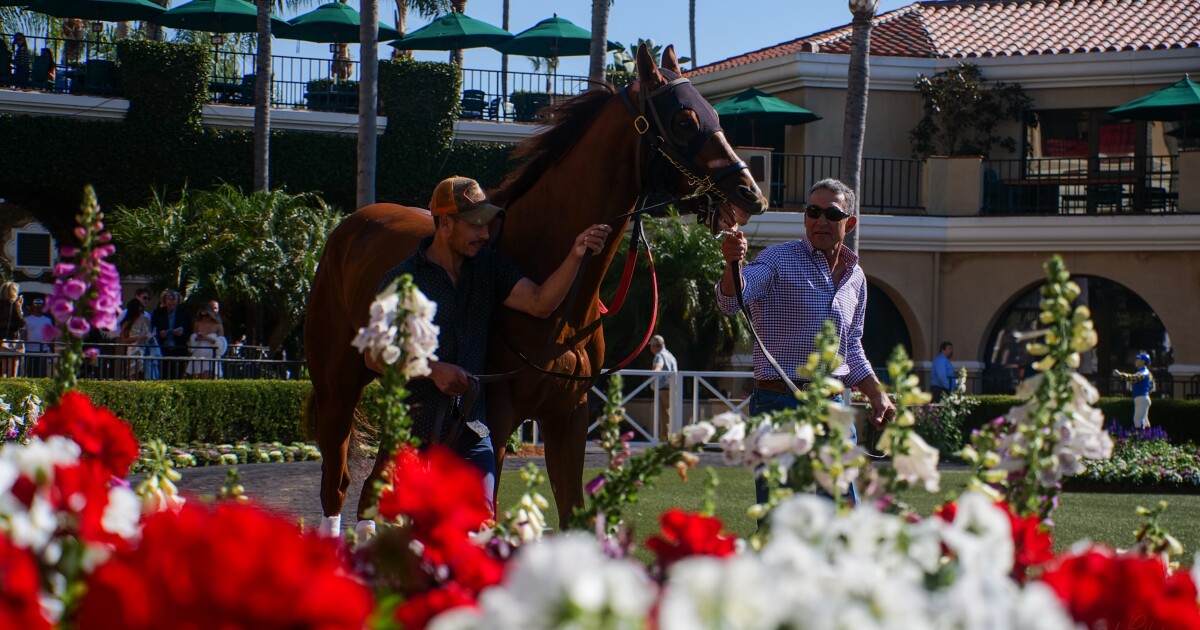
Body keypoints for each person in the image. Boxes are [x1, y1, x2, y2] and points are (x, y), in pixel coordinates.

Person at [369, 176, 611, 510]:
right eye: (475, 225)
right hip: (414, 433)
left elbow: (540, 302)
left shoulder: (488, 267)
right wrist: (432, 369)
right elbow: (374, 354)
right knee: (417, 544)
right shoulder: (400, 279)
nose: (485, 234)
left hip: (473, 432)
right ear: (446, 223)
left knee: (480, 527)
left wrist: (576, 253)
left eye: (487, 224)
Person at [716, 178, 896, 506]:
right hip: (778, 405)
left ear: (849, 222)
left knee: (843, 511)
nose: (820, 221)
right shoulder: (776, 260)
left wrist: (877, 395)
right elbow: (731, 301)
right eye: (813, 211)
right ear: (805, 217)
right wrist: (733, 264)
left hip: (832, 407)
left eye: (832, 213)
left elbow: (851, 347)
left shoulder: (856, 277)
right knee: (781, 516)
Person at [151, 289, 192, 379]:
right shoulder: (158, 313)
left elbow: (189, 331)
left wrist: (181, 333)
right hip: (163, 349)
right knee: (162, 376)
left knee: (177, 376)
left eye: (174, 304)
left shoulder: (184, 313)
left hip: (178, 349)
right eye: (169, 303)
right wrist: (160, 334)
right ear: (165, 301)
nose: (171, 306)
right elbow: (153, 330)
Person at [1113, 352, 1154, 430]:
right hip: (1144, 397)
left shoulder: (1143, 372)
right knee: (1144, 420)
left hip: (1141, 397)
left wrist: (1119, 374)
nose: (1136, 361)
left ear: (1143, 361)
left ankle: (1140, 439)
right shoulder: (1149, 374)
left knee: (1138, 420)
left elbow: (1133, 378)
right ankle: (1148, 438)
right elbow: (1151, 387)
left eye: (1138, 359)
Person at [648, 334, 677, 441]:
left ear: (655, 346)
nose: (650, 349)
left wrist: (653, 375)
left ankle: (665, 443)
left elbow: (658, 368)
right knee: (668, 418)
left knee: (664, 418)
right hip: (672, 389)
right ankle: (667, 441)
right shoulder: (671, 356)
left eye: (651, 346)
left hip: (663, 390)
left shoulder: (659, 356)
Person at [186, 302, 226, 379]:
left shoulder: (217, 324)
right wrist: (196, 338)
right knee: (197, 378)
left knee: (208, 377)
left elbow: (222, 342)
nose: (204, 318)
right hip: (199, 353)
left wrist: (208, 338)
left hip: (210, 354)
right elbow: (193, 338)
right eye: (202, 315)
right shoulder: (197, 323)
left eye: (206, 315)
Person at [119, 298, 152, 379]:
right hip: (133, 352)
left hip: (144, 351)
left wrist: (148, 337)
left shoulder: (146, 320)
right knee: (133, 374)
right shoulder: (127, 323)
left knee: (144, 374)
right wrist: (137, 337)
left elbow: (149, 334)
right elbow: (123, 340)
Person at [22, 296, 54, 378]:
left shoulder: (47, 320)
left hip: (43, 350)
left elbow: (50, 335)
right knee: (29, 373)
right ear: (33, 306)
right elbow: (23, 334)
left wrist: (51, 348)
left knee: (41, 374)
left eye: (40, 306)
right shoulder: (26, 319)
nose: (38, 308)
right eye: (36, 306)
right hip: (29, 350)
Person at [0, 282, 25, 377]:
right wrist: (19, 308)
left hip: (1, 341)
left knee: (2, 370)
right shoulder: (14, 305)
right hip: (11, 341)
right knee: (12, 370)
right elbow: (22, 323)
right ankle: (11, 389)